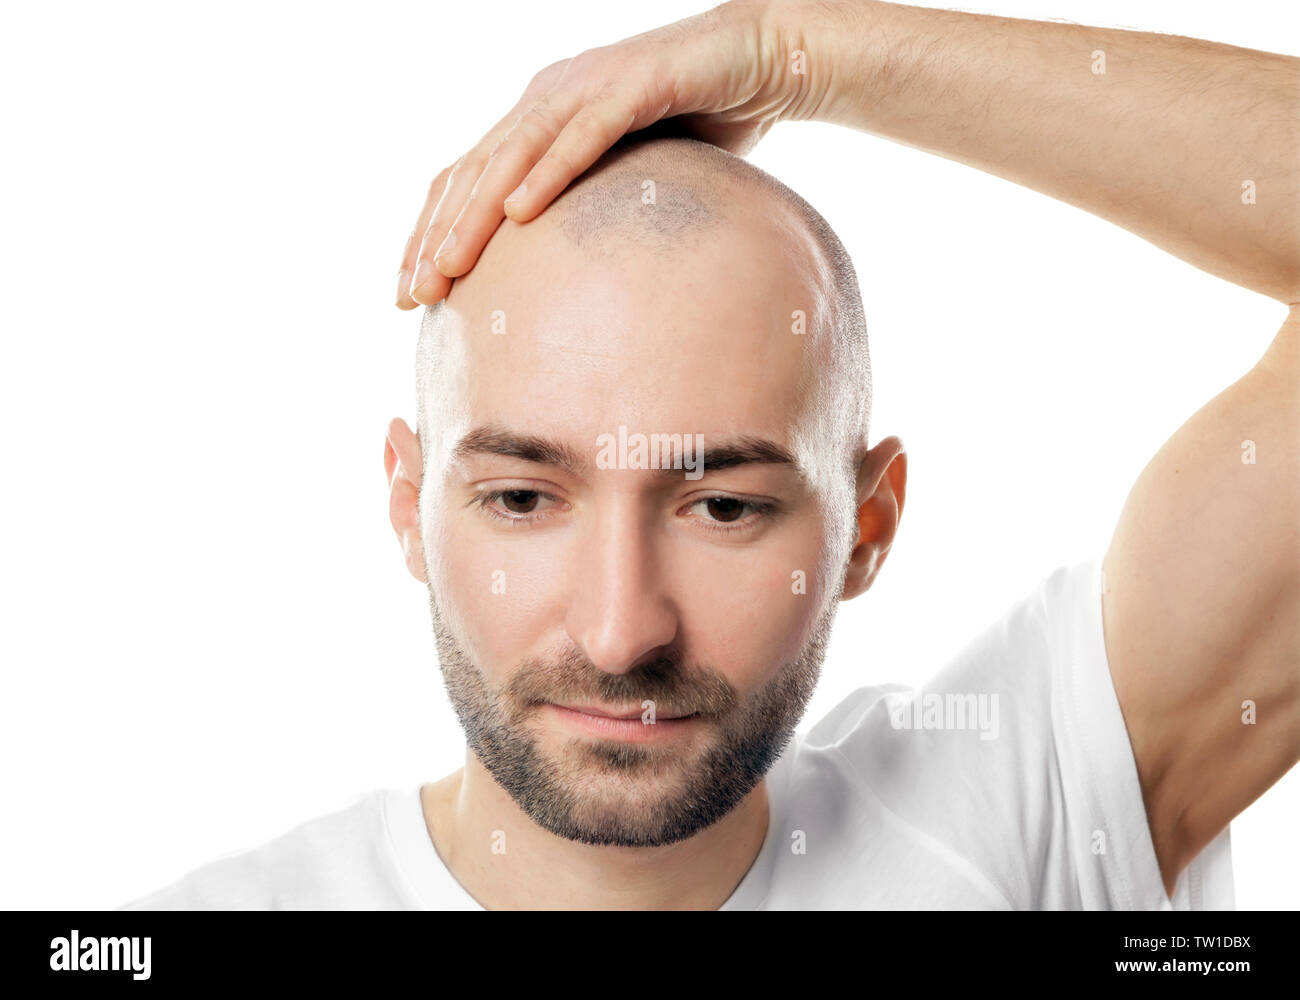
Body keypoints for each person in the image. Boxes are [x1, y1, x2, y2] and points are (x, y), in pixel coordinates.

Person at [121, 0, 1297, 910]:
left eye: (723, 507)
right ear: (408, 504)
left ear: (866, 524)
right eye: (524, 497)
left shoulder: (1036, 815)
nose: (622, 633)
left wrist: (796, 47)